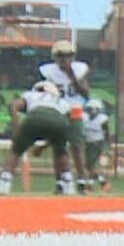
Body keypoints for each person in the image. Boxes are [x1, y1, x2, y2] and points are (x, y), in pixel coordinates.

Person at [0, 81, 76, 195]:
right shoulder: (62, 101)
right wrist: (44, 146)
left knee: (16, 150)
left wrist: (17, 129)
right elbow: (65, 125)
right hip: (59, 121)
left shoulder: (30, 95)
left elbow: (13, 106)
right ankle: (68, 182)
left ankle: (5, 182)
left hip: (35, 118)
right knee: (61, 151)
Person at [40, 38, 91, 185]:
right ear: (55, 57)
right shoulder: (49, 72)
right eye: (61, 56)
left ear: (72, 56)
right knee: (58, 147)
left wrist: (72, 76)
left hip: (74, 110)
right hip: (57, 111)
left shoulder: (79, 71)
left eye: (67, 55)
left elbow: (86, 93)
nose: (64, 59)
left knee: (77, 146)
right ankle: (60, 181)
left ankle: (82, 179)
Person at [80, 99, 110, 191]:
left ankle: (91, 185)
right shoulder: (84, 118)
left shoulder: (102, 119)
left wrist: (108, 146)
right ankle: (102, 182)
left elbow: (106, 133)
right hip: (88, 143)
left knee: (91, 165)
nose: (91, 112)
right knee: (89, 165)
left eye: (93, 109)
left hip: (98, 143)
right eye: (89, 109)